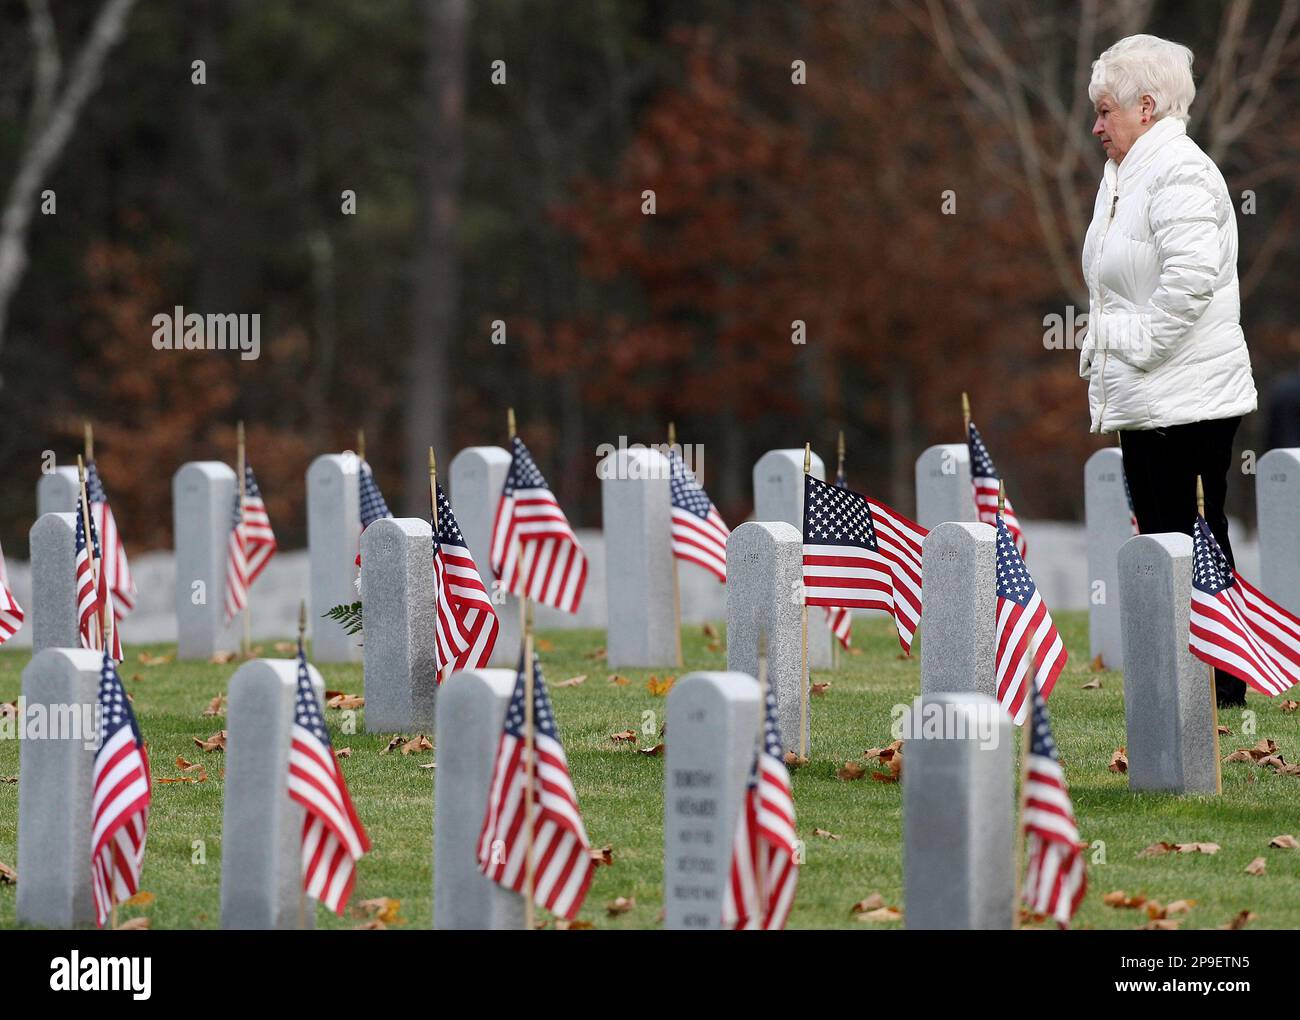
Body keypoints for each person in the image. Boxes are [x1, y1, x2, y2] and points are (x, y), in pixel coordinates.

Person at [1078, 35, 1257, 706]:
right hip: (1153, 391)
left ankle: (1220, 692)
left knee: (1189, 539)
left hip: (1188, 395)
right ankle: (1183, 686)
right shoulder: (1127, 173)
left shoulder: (1177, 171)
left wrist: (1125, 341)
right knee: (1163, 537)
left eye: (1104, 111)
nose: (1096, 126)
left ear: (1145, 106)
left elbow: (1187, 286)